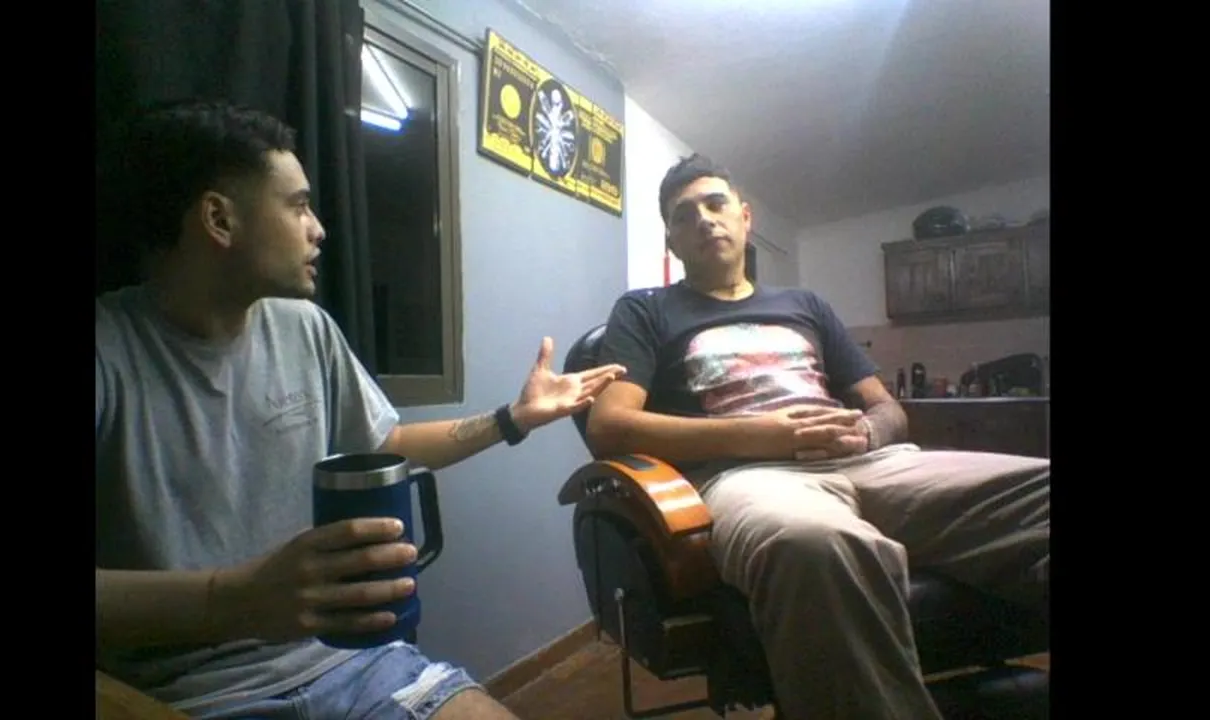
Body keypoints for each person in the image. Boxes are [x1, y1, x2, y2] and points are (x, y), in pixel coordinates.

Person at [94, 100, 626, 720]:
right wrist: (234, 599)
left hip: (345, 659)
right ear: (219, 219)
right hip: (186, 694)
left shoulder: (306, 328)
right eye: (298, 206)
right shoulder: (109, 350)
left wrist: (513, 418)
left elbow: (386, 444)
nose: (318, 228)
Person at [585, 153, 1049, 720]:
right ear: (671, 241)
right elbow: (610, 427)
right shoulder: (645, 310)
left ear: (745, 218)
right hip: (750, 477)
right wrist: (762, 437)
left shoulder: (806, 305)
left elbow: (887, 409)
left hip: (869, 462)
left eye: (715, 204)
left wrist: (867, 431)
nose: (703, 219)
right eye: (684, 215)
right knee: (812, 544)